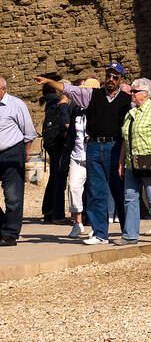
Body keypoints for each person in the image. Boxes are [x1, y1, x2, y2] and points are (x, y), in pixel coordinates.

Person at [36, 61, 130, 246]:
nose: (110, 79)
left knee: (119, 191)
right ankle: (100, 233)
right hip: (94, 146)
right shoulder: (92, 95)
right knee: (96, 192)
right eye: (108, 75)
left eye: (114, 76)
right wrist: (49, 81)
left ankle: (128, 231)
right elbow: (69, 89)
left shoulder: (126, 100)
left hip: (115, 146)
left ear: (121, 79)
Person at [119, 78, 151, 242]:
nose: (132, 94)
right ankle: (130, 235)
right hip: (131, 162)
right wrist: (121, 162)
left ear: (146, 94)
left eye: (135, 91)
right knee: (130, 198)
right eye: (132, 91)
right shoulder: (130, 113)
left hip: (150, 161)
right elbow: (125, 140)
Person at [0, 76, 39, 247]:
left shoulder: (16, 105)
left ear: (3, 89)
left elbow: (29, 132)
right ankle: (3, 225)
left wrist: (26, 153)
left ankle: (9, 234)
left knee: (13, 196)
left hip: (12, 153)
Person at [65, 77, 99, 239]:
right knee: (73, 188)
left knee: (95, 191)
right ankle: (77, 223)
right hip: (77, 155)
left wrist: (93, 135)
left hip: (93, 155)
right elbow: (72, 132)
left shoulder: (99, 109)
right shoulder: (76, 109)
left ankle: (95, 225)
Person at [39, 73, 72, 224]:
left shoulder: (50, 102)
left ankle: (49, 210)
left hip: (52, 144)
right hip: (59, 144)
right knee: (59, 178)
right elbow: (64, 126)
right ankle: (56, 214)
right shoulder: (59, 103)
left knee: (54, 177)